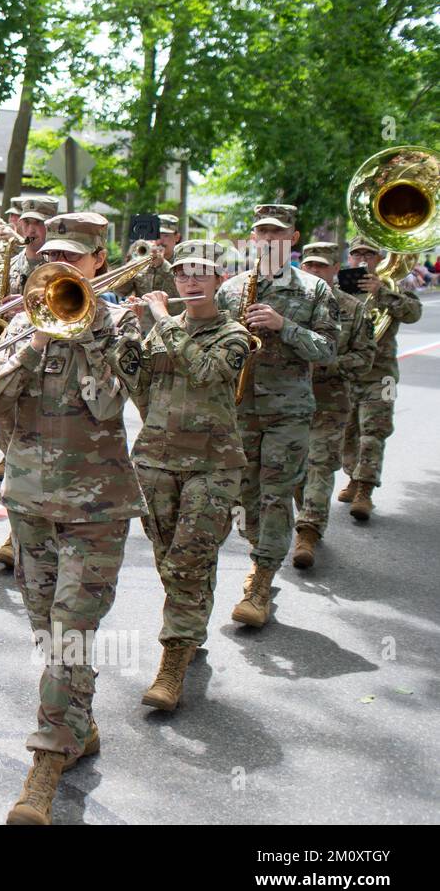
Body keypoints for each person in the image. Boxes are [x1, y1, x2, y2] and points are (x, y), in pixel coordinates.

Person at [0, 211, 146, 825]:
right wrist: (39, 341)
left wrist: (85, 332)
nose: (61, 266)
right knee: (49, 630)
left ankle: (45, 765)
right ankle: (81, 721)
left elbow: (108, 402)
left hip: (96, 503)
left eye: (74, 258)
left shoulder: (122, 322)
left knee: (72, 628)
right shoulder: (24, 321)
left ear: (99, 261)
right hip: (29, 499)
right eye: (52, 254)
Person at [125, 241, 251, 711]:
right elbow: (140, 391)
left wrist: (158, 321)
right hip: (156, 458)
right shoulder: (161, 329)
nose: (191, 282)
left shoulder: (234, 334)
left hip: (212, 464)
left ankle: (172, 662)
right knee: (169, 558)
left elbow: (203, 373)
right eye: (182, 274)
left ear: (220, 280)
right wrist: (127, 340)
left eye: (201, 273)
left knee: (186, 563)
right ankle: (192, 625)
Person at [216, 203, 338, 628]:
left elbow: (328, 351)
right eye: (261, 233)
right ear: (253, 239)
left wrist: (284, 325)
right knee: (246, 496)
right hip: (240, 411)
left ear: (293, 239)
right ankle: (261, 555)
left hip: (288, 411)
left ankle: (261, 579)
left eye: (277, 233)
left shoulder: (314, 290)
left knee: (275, 492)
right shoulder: (230, 289)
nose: (268, 240)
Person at [0, 195, 58, 570]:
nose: (30, 231)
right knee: (13, 451)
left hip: (48, 368)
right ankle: (20, 526)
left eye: (39, 224)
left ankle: (31, 530)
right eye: (26, 223)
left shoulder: (62, 267)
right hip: (10, 365)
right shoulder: (5, 268)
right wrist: (2, 313)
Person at [293, 242, 375, 567]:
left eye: (321, 267)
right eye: (309, 266)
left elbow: (366, 358)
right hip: (289, 400)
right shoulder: (287, 305)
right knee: (295, 471)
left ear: (335, 270)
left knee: (320, 465)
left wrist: (328, 364)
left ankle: (308, 532)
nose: (314, 272)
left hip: (331, 402)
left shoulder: (354, 309)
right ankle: (308, 514)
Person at [338, 236, 423, 520]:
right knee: (347, 434)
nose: (362, 259)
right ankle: (353, 476)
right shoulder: (340, 287)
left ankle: (365, 490)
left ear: (380, 257)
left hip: (381, 375)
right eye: (356, 254)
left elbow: (413, 313)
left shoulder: (393, 286)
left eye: (369, 254)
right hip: (348, 374)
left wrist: (382, 293)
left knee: (374, 431)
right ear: (349, 258)